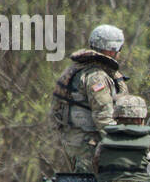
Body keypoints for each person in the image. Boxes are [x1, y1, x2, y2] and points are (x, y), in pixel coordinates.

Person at [51, 24, 130, 173]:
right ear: (111, 49)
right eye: (118, 49)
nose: (119, 53)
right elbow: (104, 117)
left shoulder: (75, 70)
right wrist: (123, 149)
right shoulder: (96, 77)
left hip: (73, 142)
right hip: (88, 146)